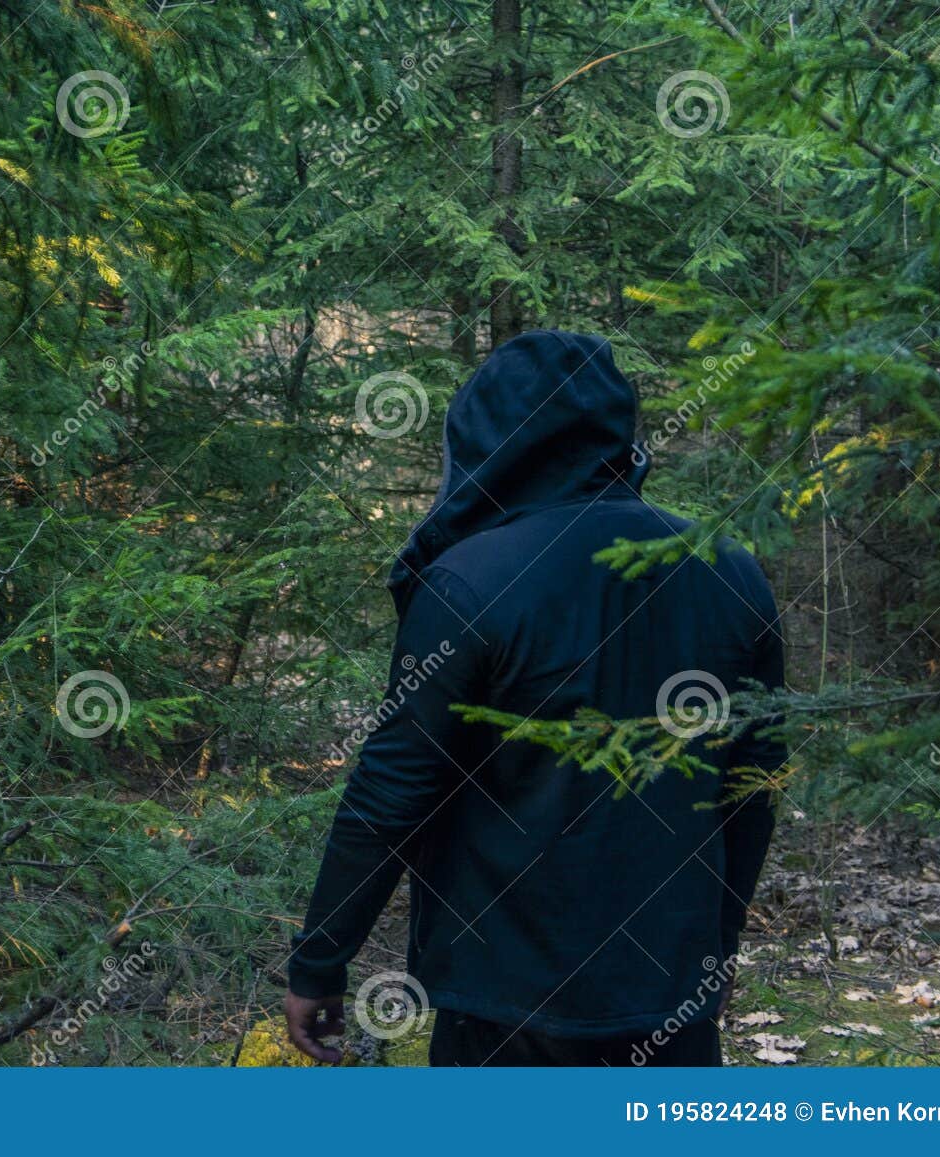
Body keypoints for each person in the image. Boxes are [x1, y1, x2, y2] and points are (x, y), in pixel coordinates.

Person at [285, 330, 784, 1067]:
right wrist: (715, 945)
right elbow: (755, 787)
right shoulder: (731, 572)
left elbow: (390, 793)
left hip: (504, 1001)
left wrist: (320, 963)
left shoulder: (467, 582)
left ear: (486, 436)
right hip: (665, 993)